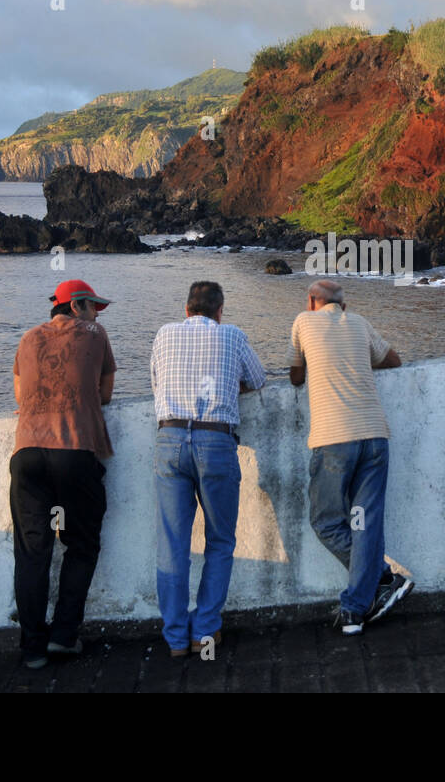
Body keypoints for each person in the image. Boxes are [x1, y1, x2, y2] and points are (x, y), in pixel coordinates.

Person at [150, 280, 267, 658]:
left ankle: (174, 639)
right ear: (220, 311)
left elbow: (157, 384)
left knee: (173, 543)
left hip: (169, 440)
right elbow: (259, 379)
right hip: (215, 442)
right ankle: (204, 631)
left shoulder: (164, 334)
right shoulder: (232, 335)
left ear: (186, 310)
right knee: (219, 541)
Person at [289, 279, 413, 635]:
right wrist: (353, 361)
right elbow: (393, 360)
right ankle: (372, 593)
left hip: (334, 441)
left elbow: (296, 376)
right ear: (342, 305)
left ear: (312, 301)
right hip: (374, 437)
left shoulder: (302, 321)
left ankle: (368, 594)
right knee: (365, 524)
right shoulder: (359, 323)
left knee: (326, 521)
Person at [10, 279, 116, 669]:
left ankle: (33, 649)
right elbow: (104, 395)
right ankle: (64, 635)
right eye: (92, 307)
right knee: (82, 545)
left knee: (32, 553)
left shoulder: (26, 338)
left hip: (27, 453)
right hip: (74, 452)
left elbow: (21, 397)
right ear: (76, 307)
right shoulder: (95, 333)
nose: (96, 315)